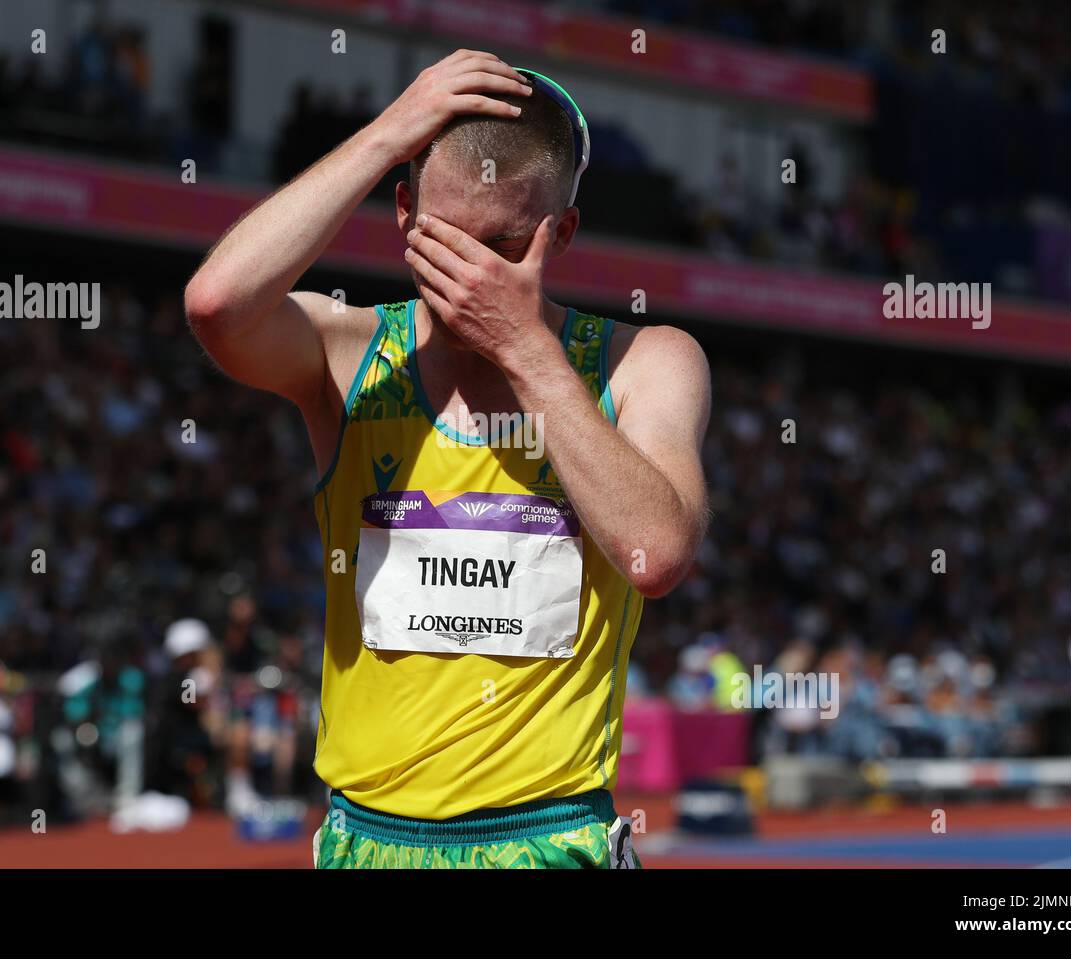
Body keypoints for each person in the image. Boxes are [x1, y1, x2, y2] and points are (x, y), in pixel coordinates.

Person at [186, 50, 710, 869]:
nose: (469, 278)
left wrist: (527, 350)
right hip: (370, 842)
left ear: (561, 233)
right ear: (403, 211)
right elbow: (217, 305)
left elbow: (659, 552)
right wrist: (389, 134)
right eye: (444, 241)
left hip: (548, 840)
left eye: (501, 246)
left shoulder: (645, 361)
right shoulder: (350, 353)